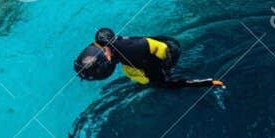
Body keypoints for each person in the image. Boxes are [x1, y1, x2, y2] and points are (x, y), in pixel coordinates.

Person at [73, 28, 223, 89]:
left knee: (163, 85)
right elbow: (103, 32)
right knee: (135, 71)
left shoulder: (131, 50)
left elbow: (162, 48)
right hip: (154, 45)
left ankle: (209, 82)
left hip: (168, 49)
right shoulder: (104, 43)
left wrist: (164, 65)